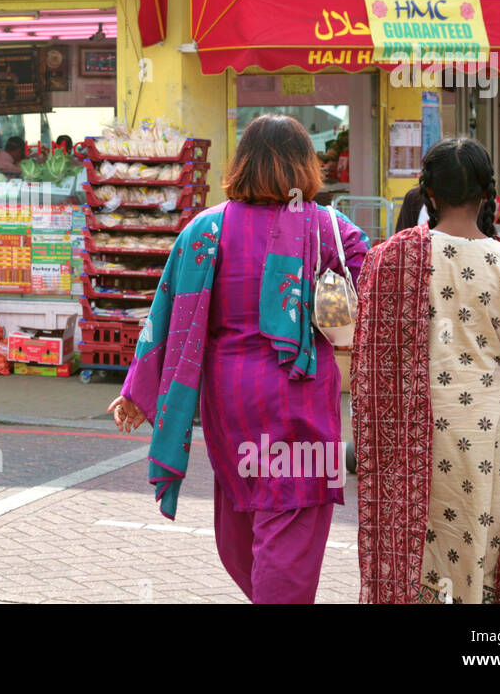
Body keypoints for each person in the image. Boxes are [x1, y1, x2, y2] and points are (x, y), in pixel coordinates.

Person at [109, 114, 370, 603]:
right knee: (291, 520)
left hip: (232, 404)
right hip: (301, 402)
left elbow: (168, 315)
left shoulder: (205, 230)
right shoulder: (328, 227)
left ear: (241, 164)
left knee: (242, 514)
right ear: (304, 166)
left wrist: (137, 392)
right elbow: (379, 290)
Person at [351, 138, 500, 604]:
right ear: (487, 194)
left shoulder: (390, 256)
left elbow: (368, 357)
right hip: (486, 432)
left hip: (413, 431)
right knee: (476, 545)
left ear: (428, 194)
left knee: (418, 546)